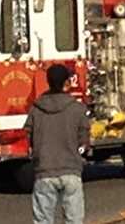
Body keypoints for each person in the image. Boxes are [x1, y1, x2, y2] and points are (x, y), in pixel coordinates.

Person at [23, 63, 89, 224]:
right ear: (67, 82)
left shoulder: (36, 109)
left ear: (48, 81)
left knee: (42, 220)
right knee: (74, 220)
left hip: (44, 170)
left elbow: (28, 135)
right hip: (71, 170)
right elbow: (84, 141)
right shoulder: (77, 109)